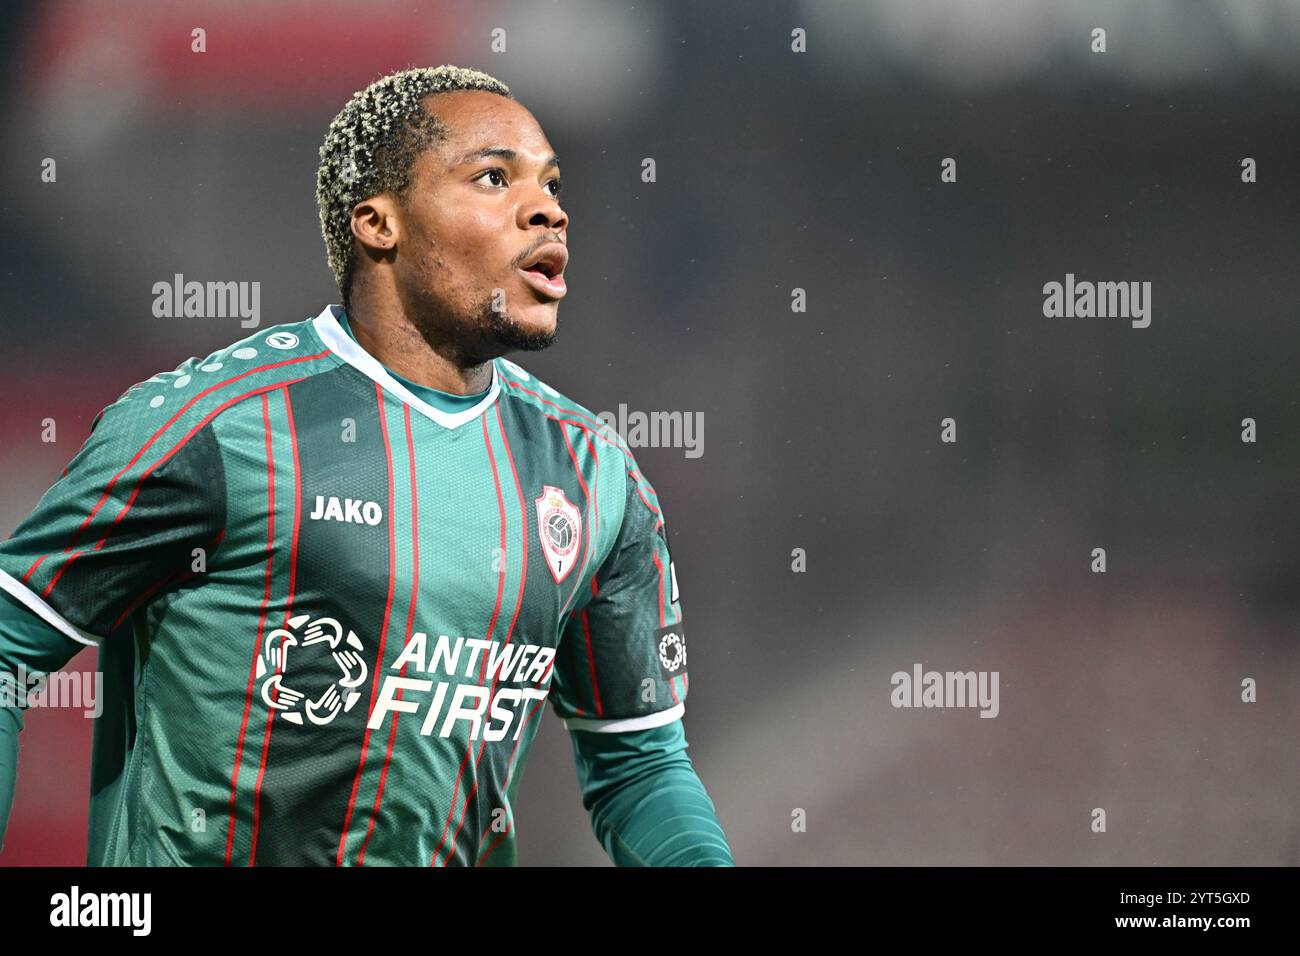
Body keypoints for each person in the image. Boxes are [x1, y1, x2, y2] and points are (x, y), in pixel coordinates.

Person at [0, 64, 733, 866]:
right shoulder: (212, 427)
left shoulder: (593, 473)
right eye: (494, 177)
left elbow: (639, 767)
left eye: (552, 184)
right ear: (378, 223)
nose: (549, 209)